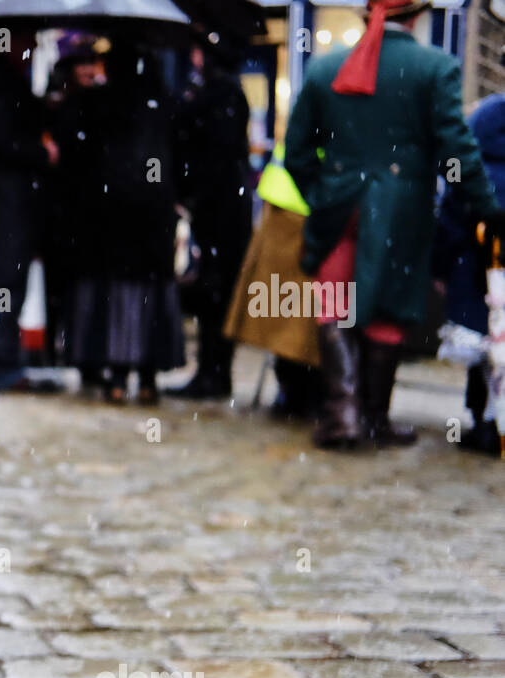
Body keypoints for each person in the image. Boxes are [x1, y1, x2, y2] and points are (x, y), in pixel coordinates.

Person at [285, 0, 504, 449]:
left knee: (335, 304)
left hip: (337, 205)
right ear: (418, 17)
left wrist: (322, 193)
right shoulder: (435, 67)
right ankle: (372, 418)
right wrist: (485, 207)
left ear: (367, 15)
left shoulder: (324, 68)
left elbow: (296, 153)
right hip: (401, 208)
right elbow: (456, 154)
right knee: (387, 311)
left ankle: (341, 413)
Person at [46, 40, 184, 404]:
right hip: (153, 215)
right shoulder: (166, 105)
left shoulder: (96, 104)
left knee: (116, 293)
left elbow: (72, 148)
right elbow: (182, 157)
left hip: (111, 214)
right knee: (150, 292)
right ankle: (149, 377)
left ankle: (117, 375)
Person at [0, 28, 60, 392]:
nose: (33, 47)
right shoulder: (0, 81)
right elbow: (2, 139)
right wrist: (42, 154)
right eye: (29, 40)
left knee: (3, 281)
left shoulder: (5, 80)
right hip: (3, 207)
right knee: (3, 281)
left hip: (6, 204)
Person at [169, 37, 254, 400]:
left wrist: (192, 197)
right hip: (224, 209)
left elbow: (210, 159)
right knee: (215, 293)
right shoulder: (225, 95)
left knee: (214, 294)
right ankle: (212, 371)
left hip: (219, 212)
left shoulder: (219, 97)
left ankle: (213, 373)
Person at [223, 143, 323, 420]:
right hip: (301, 206)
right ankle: (298, 390)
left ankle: (294, 391)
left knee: (288, 312)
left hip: (293, 200)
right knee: (296, 315)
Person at [435, 93, 505, 456]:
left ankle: (484, 423)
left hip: (473, 269)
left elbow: (450, 218)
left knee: (482, 349)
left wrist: (441, 266)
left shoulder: (471, 173)